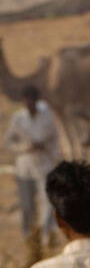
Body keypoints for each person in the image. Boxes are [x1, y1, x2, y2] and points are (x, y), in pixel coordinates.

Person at [5, 85, 61, 254]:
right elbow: (8, 143)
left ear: (36, 100)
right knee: (27, 205)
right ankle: (29, 237)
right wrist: (25, 147)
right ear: (22, 101)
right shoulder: (18, 119)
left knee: (47, 202)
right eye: (26, 99)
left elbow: (55, 139)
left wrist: (48, 150)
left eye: (31, 99)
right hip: (24, 167)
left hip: (45, 164)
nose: (29, 103)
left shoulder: (47, 117)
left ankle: (46, 236)